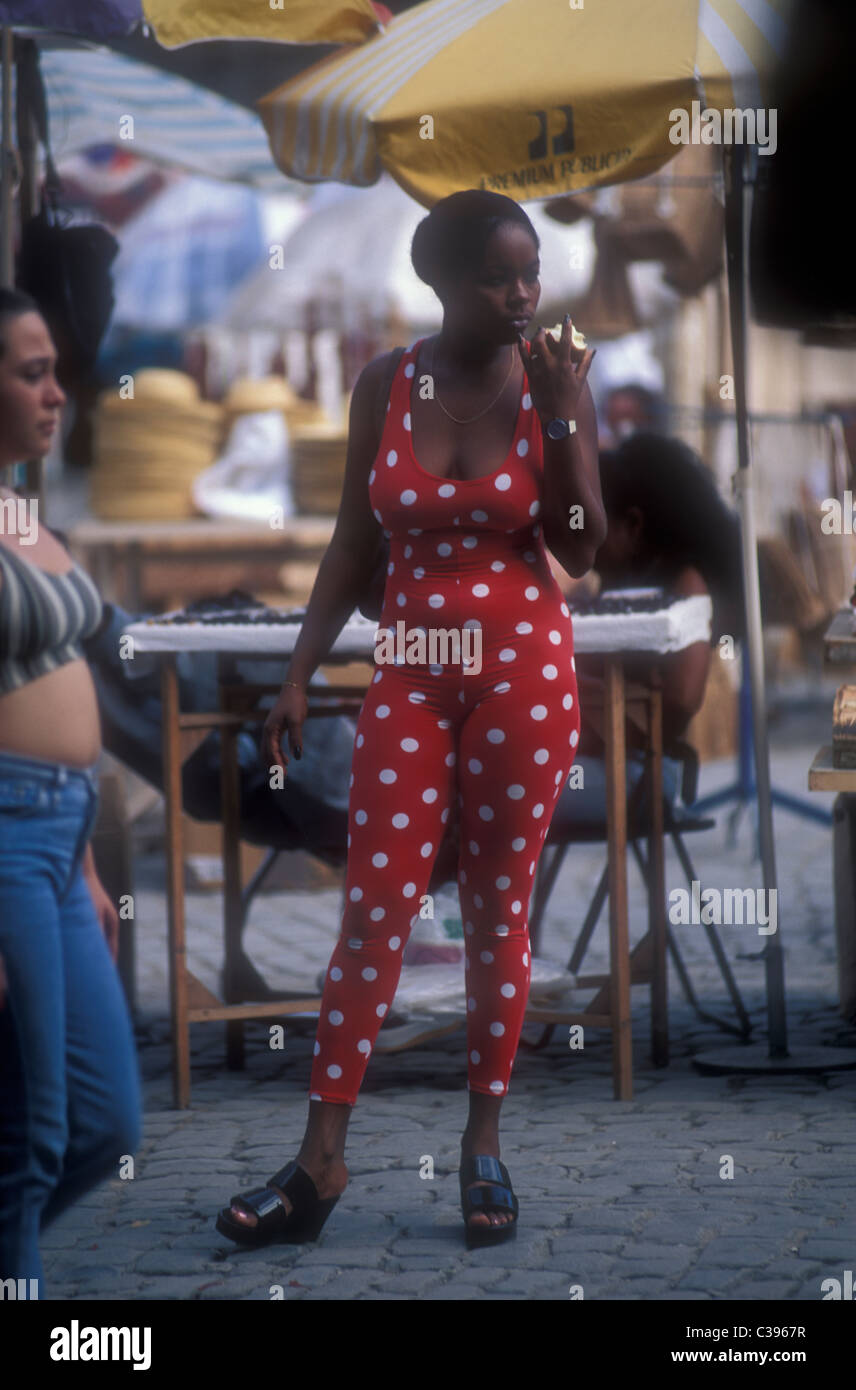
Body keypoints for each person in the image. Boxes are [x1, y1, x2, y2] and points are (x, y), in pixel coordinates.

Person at [216, 189, 605, 1249]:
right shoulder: (387, 382)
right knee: (375, 906)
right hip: (413, 673)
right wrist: (299, 671)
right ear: (439, 280)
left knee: (496, 912)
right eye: (498, 276)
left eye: (530, 274)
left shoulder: (552, 382)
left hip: (522, 673)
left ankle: (483, 1143)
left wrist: (566, 415)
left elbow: (579, 546)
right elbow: (351, 538)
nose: (523, 294)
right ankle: (319, 1162)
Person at [0, 287, 142, 1294]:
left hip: (60, 843)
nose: (58, 393)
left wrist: (86, 854)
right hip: (2, 841)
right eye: (30, 372)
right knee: (32, 1137)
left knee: (105, 1125)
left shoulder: (19, 505)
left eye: (56, 370)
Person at [551, 432, 744, 832]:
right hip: (598, 764)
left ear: (632, 525)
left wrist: (599, 705)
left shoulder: (685, 585)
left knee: (501, 792)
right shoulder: (613, 585)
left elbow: (683, 699)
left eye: (589, 525)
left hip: (647, 775)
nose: (581, 541)